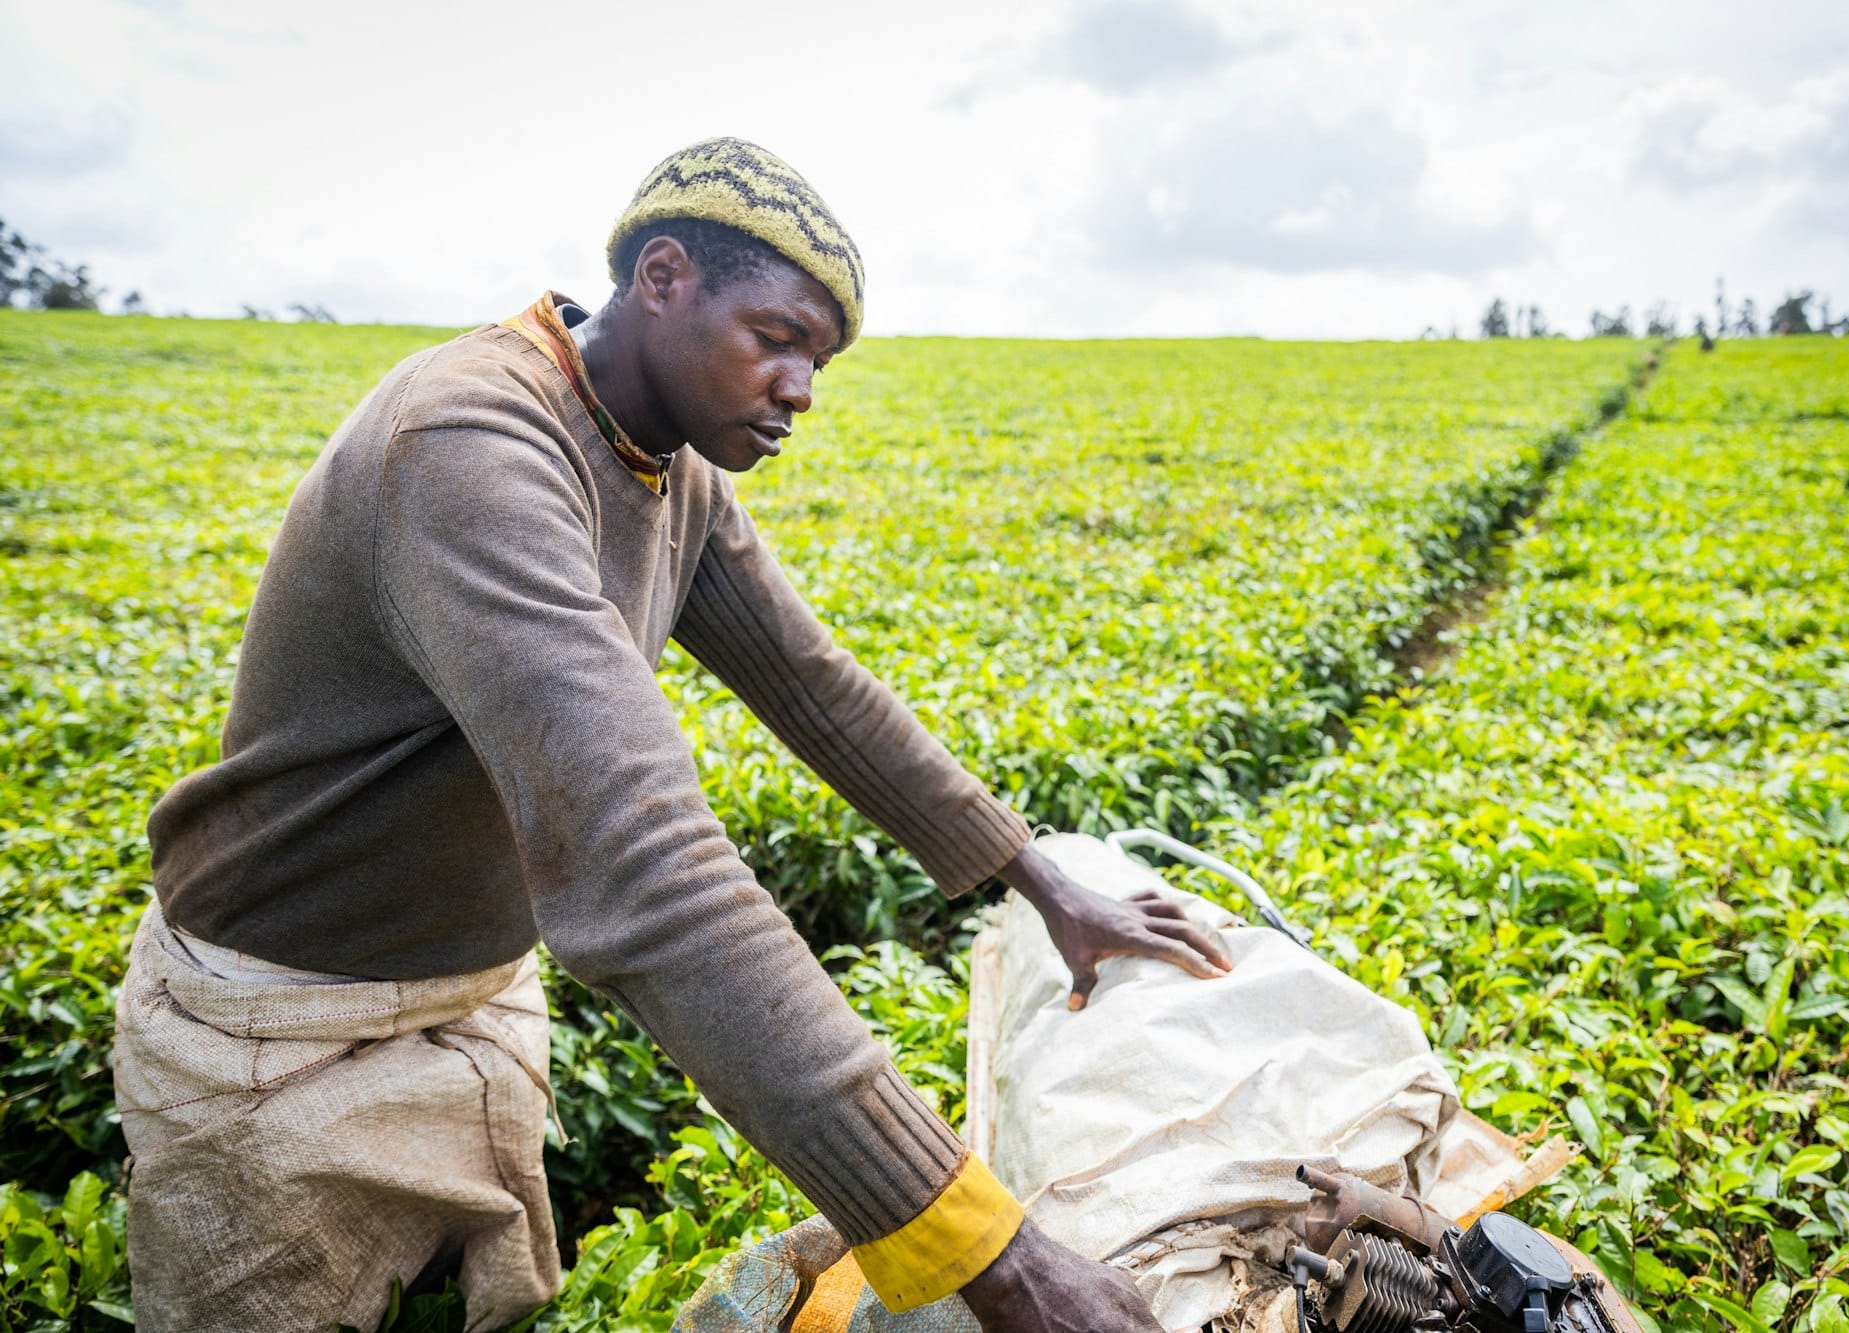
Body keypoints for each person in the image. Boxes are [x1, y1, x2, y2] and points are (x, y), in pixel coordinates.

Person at [111, 137, 1232, 1332]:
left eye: (821, 357)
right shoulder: (470, 447)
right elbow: (641, 858)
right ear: (661, 278)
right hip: (279, 1031)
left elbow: (815, 689)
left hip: (473, 999)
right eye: (778, 337)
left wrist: (1037, 877)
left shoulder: (670, 472)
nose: (801, 386)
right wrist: (989, 1255)